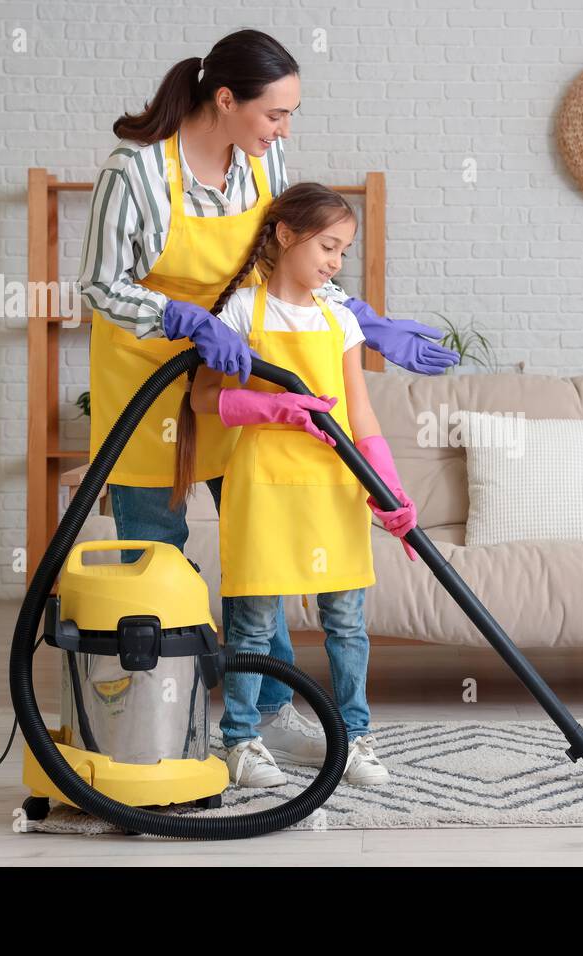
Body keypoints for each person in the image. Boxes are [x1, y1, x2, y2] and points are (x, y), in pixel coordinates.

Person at [75, 30, 456, 770]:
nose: (285, 131)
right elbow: (97, 284)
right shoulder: (139, 171)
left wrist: (365, 319)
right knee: (159, 552)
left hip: (241, 372)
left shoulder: (263, 161)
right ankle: (162, 721)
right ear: (226, 100)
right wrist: (178, 317)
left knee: (265, 552)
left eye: (289, 115)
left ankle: (267, 711)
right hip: (147, 375)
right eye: (276, 114)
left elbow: (280, 258)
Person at [180, 182, 419, 786]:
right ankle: (240, 741)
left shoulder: (339, 318)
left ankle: (355, 739)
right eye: (328, 246)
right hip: (264, 484)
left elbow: (360, 411)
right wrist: (273, 408)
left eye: (343, 252)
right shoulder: (241, 311)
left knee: (346, 621)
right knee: (252, 619)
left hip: (333, 483)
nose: (335, 263)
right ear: (286, 235)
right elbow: (204, 397)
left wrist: (387, 488)